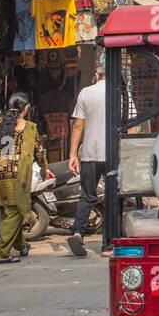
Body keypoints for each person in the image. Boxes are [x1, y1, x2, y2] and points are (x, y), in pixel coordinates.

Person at [0, 91, 48, 264]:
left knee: (8, 212)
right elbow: (39, 153)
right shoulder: (29, 128)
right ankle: (2, 253)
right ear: (25, 108)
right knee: (15, 212)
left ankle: (21, 245)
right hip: (17, 178)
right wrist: (44, 168)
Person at [67, 60, 106, 257]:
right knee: (115, 197)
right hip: (114, 153)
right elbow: (131, 124)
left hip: (90, 153)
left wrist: (73, 153)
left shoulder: (86, 93)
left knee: (87, 195)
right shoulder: (121, 94)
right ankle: (108, 243)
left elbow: (78, 126)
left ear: (97, 75)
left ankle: (78, 232)